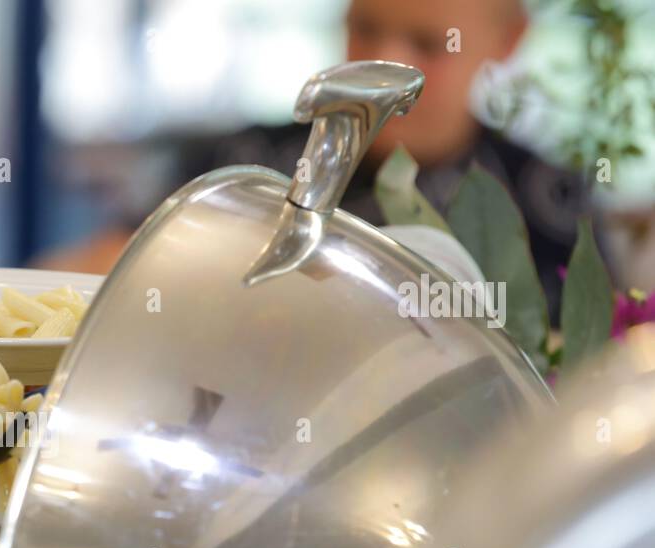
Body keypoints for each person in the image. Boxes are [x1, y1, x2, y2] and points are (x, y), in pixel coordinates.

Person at [42, 0, 584, 316]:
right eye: (366, 29)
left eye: (427, 44)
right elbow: (110, 263)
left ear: (509, 39)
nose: (385, 63)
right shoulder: (251, 161)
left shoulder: (545, 199)